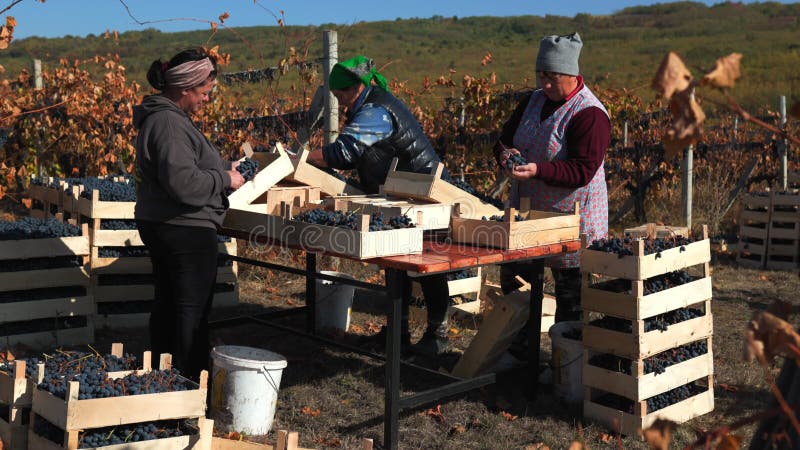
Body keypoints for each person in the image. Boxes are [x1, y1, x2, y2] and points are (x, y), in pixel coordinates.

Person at [305, 55, 450, 356]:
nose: (339, 102)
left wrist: (302, 159)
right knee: (395, 265)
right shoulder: (368, 105)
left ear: (356, 88)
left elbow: (345, 153)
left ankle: (438, 335)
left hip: (424, 195)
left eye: (341, 95)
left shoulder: (376, 111)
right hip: (401, 196)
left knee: (429, 266)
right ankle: (398, 333)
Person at [133, 48, 245, 379]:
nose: (207, 100)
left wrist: (225, 167)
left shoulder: (169, 118)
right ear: (184, 88)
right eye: (204, 93)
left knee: (171, 306)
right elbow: (184, 183)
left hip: (171, 224)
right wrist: (225, 179)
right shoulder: (168, 122)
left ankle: (162, 381)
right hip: (183, 228)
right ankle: (185, 384)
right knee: (189, 314)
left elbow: (185, 166)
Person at [495, 32, 611, 323]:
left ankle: (562, 365)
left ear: (572, 75)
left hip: (571, 218)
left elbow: (582, 170)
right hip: (527, 214)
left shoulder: (590, 114)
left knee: (570, 299)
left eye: (552, 77)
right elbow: (504, 139)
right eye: (540, 76)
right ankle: (520, 355)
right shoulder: (533, 101)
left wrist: (538, 170)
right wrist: (505, 155)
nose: (544, 84)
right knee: (516, 286)